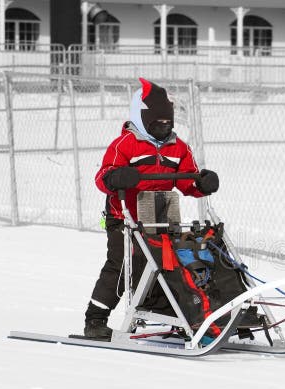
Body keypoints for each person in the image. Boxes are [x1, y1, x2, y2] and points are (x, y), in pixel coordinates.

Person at [82, 78, 219, 340]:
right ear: (143, 120)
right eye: (157, 123)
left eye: (168, 123)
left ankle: (180, 315)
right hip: (125, 218)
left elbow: (188, 180)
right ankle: (95, 319)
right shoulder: (125, 144)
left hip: (163, 216)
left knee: (173, 264)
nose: (164, 128)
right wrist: (117, 178)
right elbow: (103, 177)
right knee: (123, 265)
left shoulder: (178, 147)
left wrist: (203, 183)